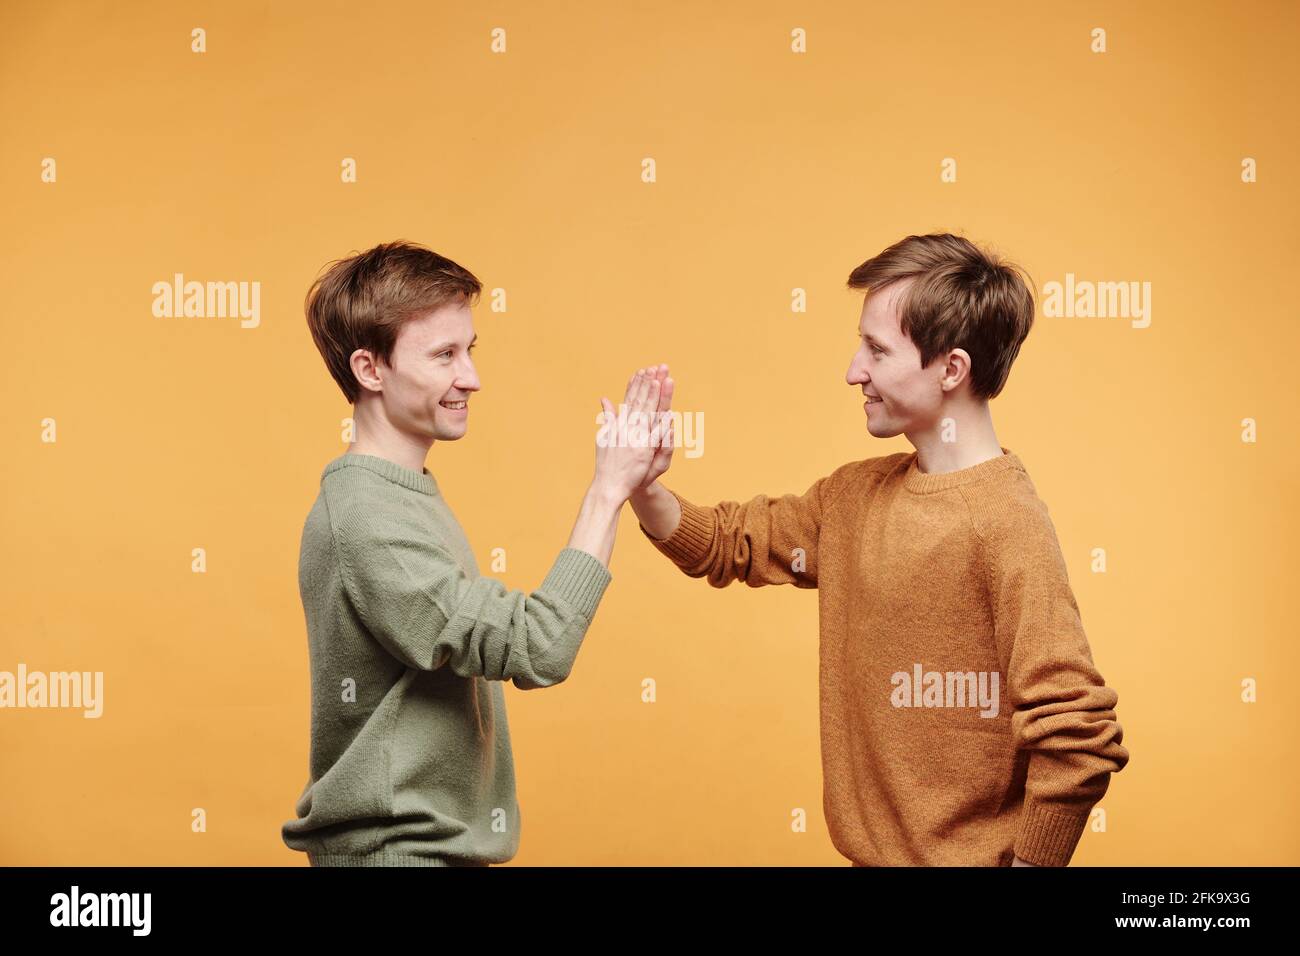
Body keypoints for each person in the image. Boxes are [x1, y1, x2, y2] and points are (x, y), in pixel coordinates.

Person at [629, 233, 1131, 866]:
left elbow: (1078, 733)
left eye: (876, 349)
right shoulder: (855, 496)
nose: (852, 370)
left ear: (951, 369)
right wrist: (643, 486)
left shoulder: (1007, 523)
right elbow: (734, 544)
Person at [282, 239, 665, 866]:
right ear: (370, 370)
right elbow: (540, 647)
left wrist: (631, 487)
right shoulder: (368, 516)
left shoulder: (398, 496)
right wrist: (606, 491)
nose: (472, 377)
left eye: (469, 350)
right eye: (443, 355)